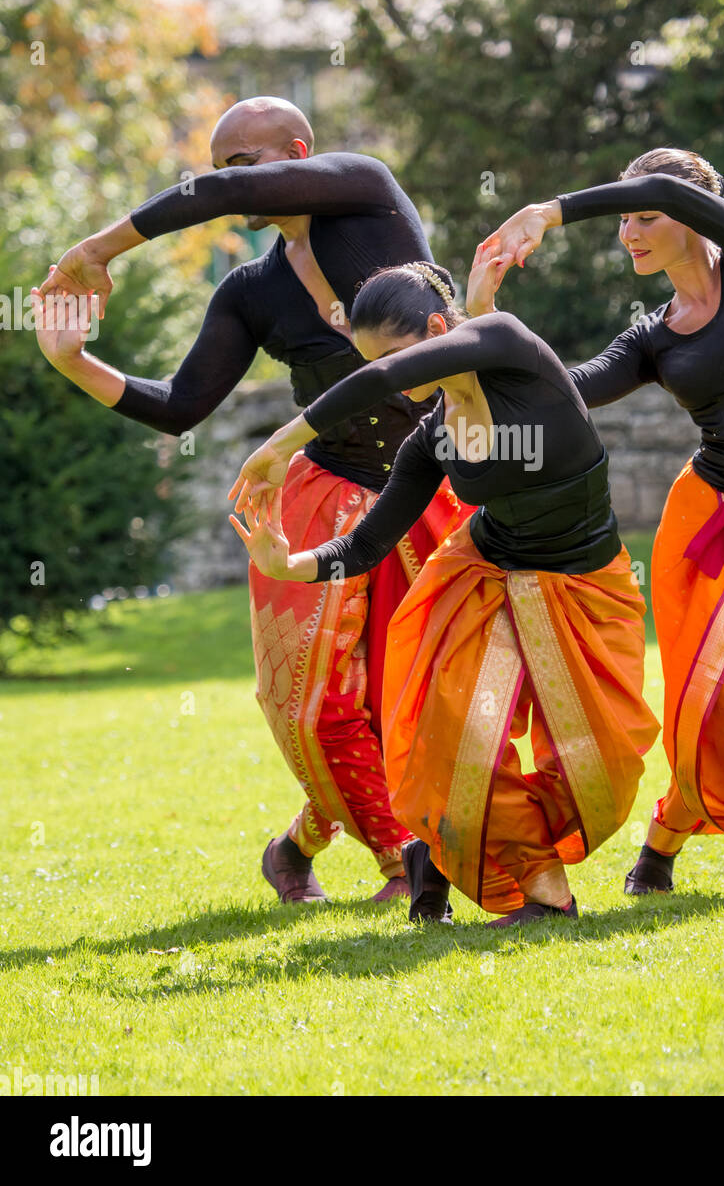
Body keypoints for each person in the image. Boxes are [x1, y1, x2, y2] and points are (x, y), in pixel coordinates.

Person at [33, 97, 470, 904]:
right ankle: (398, 863)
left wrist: (100, 247)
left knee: (418, 691)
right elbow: (179, 406)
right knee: (317, 703)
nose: (229, 183)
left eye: (245, 164)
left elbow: (216, 199)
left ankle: (296, 849)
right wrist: (74, 363)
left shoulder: (368, 195)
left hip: (435, 480)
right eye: (220, 167)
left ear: (299, 153)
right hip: (327, 491)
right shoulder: (250, 290)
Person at [228, 262, 660, 925]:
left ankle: (438, 854)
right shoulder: (432, 435)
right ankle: (543, 895)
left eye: (401, 358)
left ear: (438, 329)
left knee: (596, 775)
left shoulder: (507, 343)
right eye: (377, 362)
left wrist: (282, 443)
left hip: (584, 583)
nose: (394, 383)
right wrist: (292, 566)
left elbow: (379, 378)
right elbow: (366, 545)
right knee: (460, 740)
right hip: (483, 577)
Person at [469, 147, 724, 897]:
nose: (628, 232)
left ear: (693, 214)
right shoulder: (654, 334)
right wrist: (484, 318)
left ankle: (662, 847)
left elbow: (646, 189)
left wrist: (550, 210)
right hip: (706, 518)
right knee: (713, 692)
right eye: (626, 219)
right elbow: (563, 390)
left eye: (646, 216)